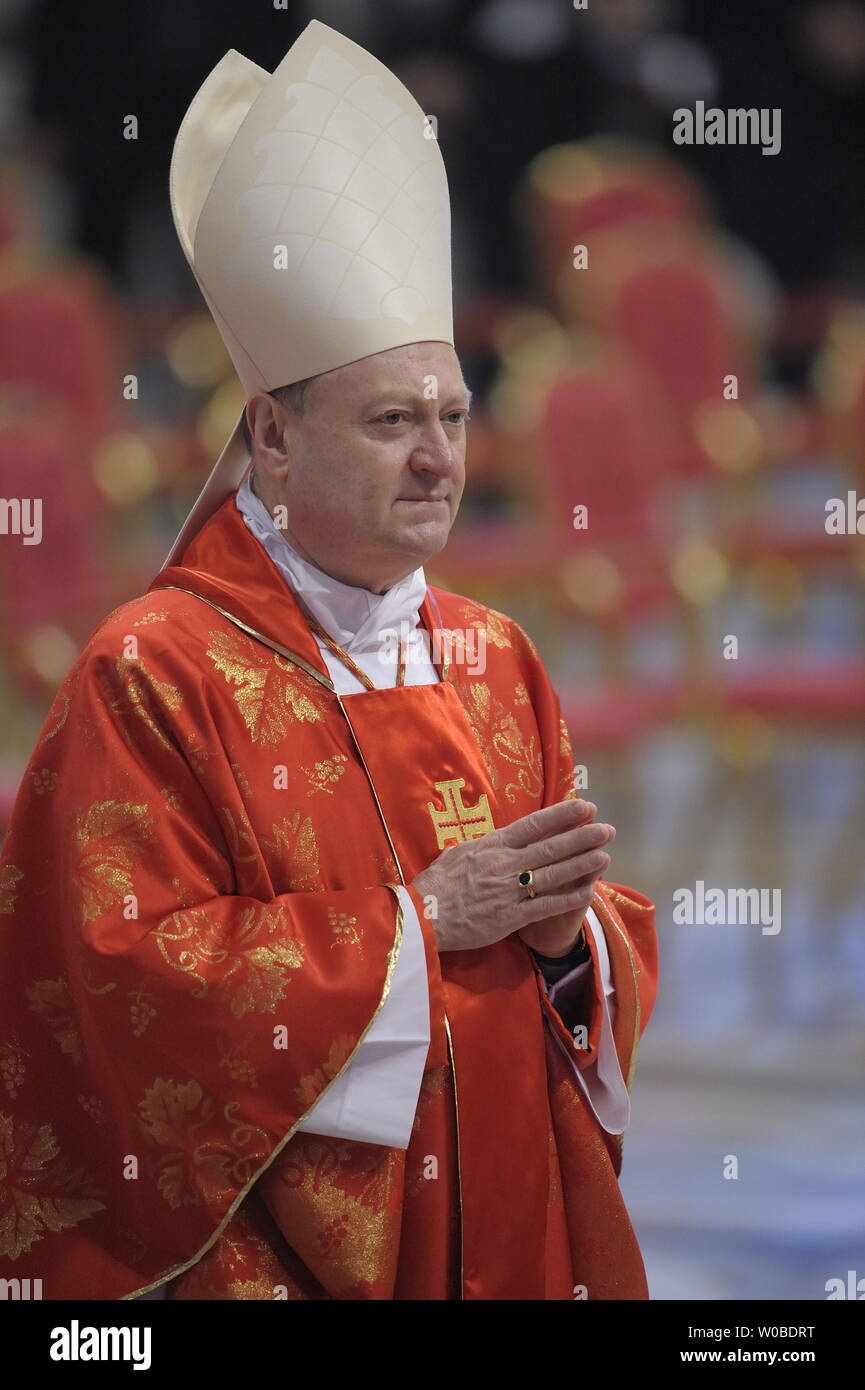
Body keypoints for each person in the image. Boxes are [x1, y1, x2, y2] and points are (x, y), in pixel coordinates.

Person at [0, 20, 657, 1301]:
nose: (439, 459)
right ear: (274, 437)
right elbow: (119, 991)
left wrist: (576, 940)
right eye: (393, 420)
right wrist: (421, 927)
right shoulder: (155, 674)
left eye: (456, 418)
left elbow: (590, 948)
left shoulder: (492, 652)